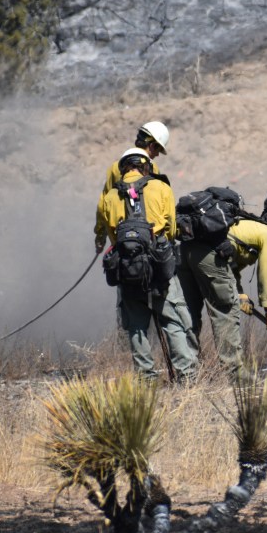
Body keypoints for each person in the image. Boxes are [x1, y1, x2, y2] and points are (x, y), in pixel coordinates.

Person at [98, 147, 198, 380]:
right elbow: (172, 228)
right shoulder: (161, 187)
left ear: (123, 168)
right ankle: (187, 375)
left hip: (127, 267)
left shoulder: (110, 196)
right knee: (172, 319)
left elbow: (112, 234)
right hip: (160, 264)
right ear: (145, 166)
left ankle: (147, 378)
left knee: (136, 325)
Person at [177, 213, 267, 376]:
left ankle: (187, 371)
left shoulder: (256, 230)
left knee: (189, 312)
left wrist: (239, 293)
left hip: (187, 250)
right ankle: (234, 372)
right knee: (227, 311)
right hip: (208, 255)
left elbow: (230, 266)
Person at [95, 121, 170, 254]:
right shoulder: (151, 167)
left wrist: (100, 236)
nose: (157, 155)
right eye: (158, 149)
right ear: (152, 145)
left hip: (122, 239)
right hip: (146, 239)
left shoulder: (114, 167)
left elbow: (104, 205)